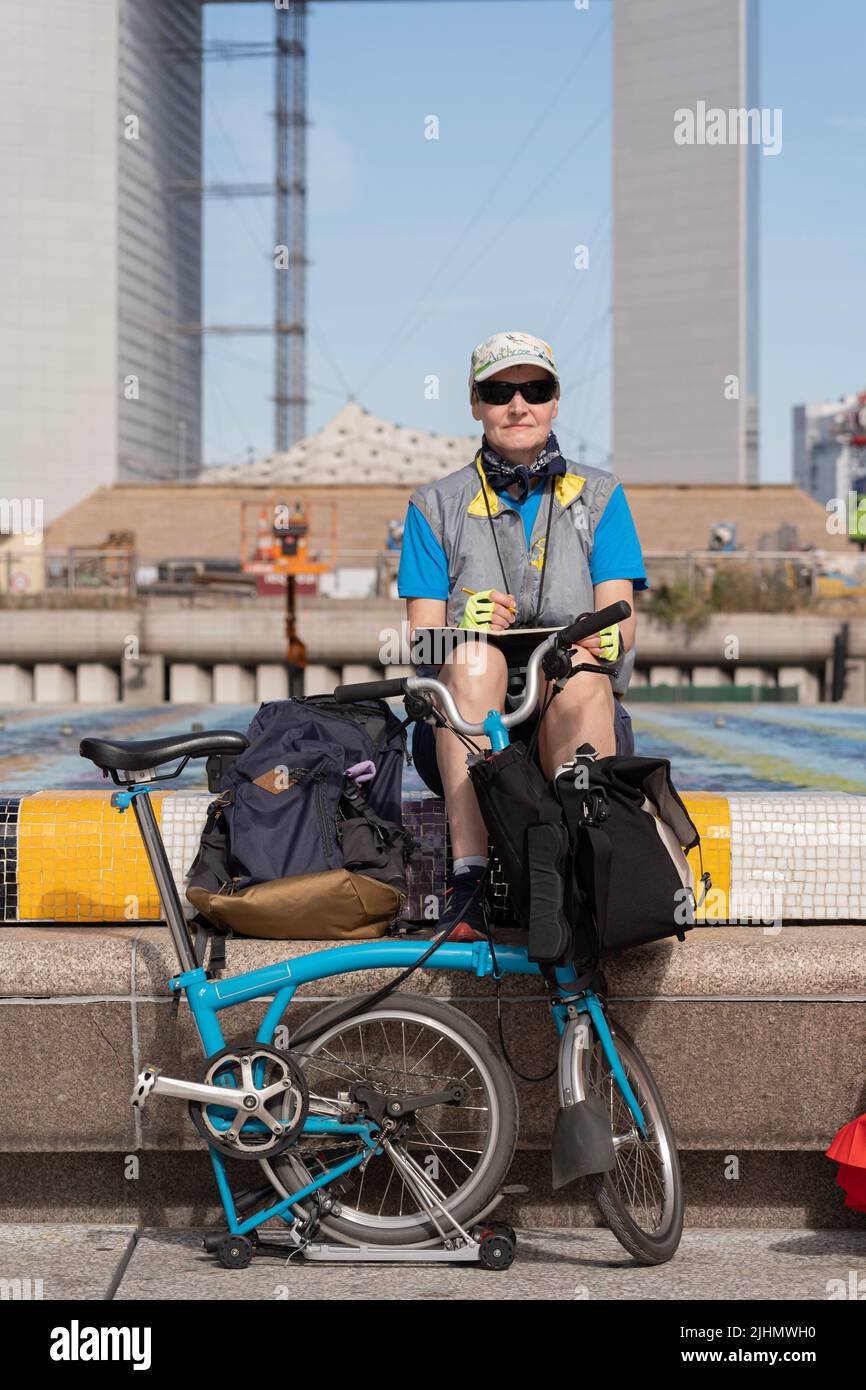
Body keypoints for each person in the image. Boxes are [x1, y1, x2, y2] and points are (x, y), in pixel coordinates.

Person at [397, 330, 648, 939]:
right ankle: (468, 881)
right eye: (499, 391)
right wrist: (462, 627)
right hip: (472, 729)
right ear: (475, 403)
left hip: (569, 717)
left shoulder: (602, 495)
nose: (518, 405)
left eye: (535, 389)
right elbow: (419, 647)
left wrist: (604, 643)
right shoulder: (434, 505)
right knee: (474, 660)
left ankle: (585, 871)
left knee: (586, 679)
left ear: (556, 401)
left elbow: (623, 625)